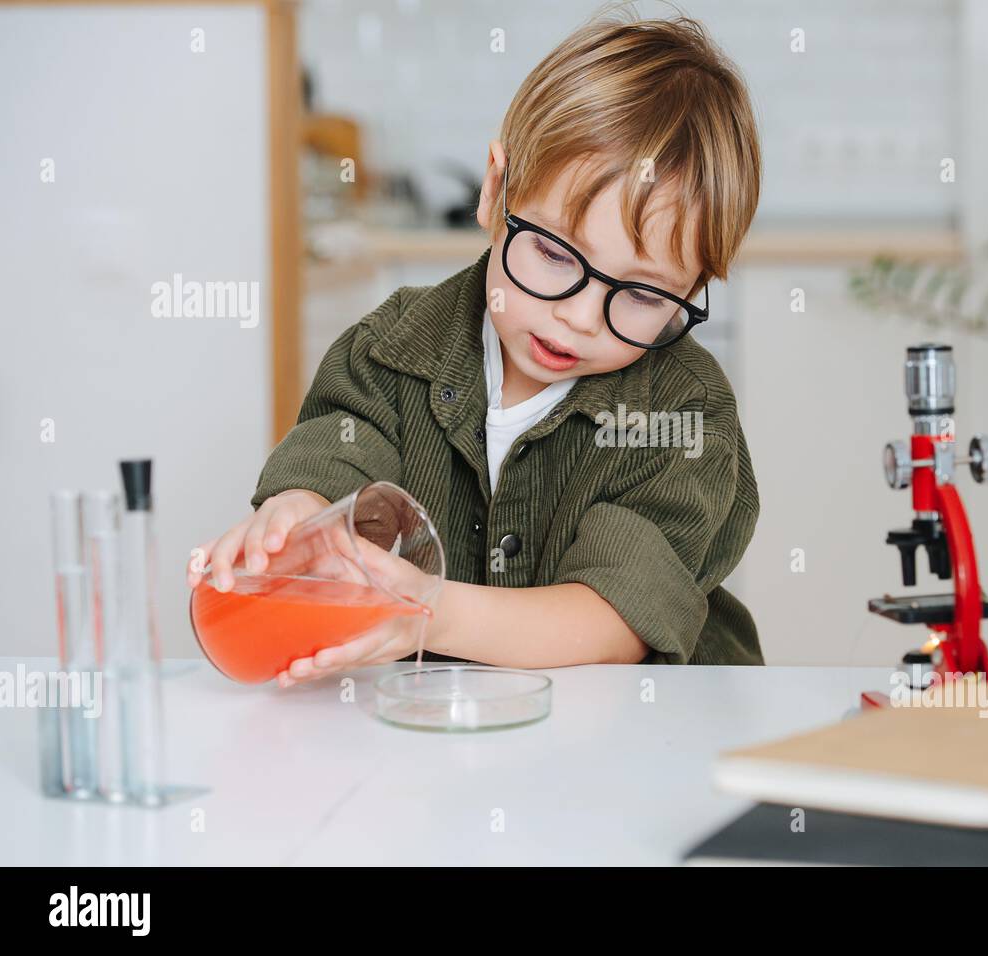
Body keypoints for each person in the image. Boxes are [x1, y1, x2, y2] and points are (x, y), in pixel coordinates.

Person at [188, 11, 764, 684]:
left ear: (695, 287)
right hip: (443, 747)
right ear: (496, 190)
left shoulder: (681, 412)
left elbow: (611, 623)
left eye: (641, 296)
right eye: (553, 253)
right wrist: (301, 516)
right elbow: (337, 454)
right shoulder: (394, 348)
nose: (578, 318)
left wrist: (427, 611)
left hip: (637, 738)